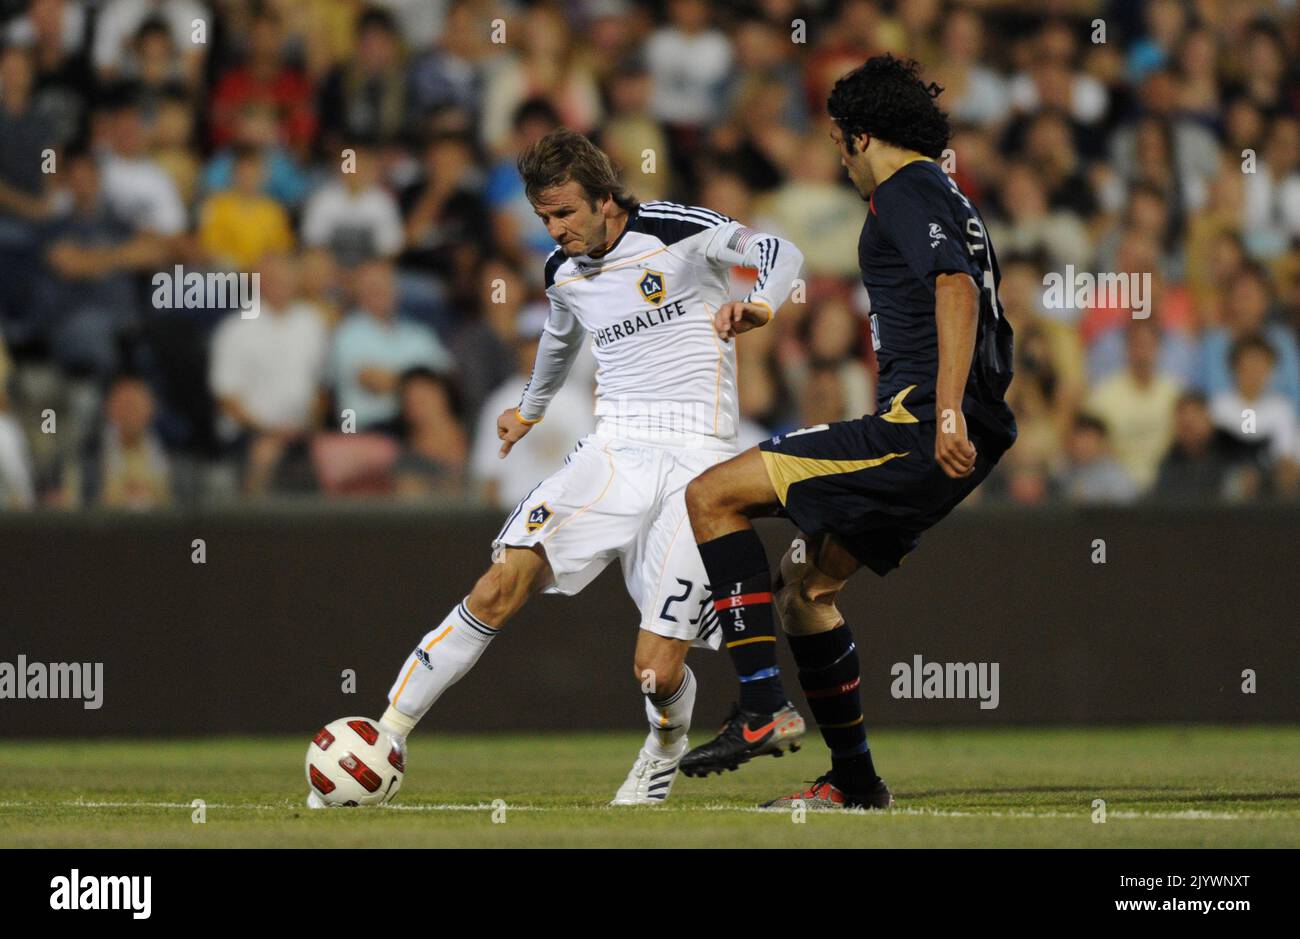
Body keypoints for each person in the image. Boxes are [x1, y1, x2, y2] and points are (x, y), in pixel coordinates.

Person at [336, 129, 803, 809]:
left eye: (564, 214)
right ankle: (387, 732)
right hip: (613, 449)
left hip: (699, 461)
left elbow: (778, 250)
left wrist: (759, 302)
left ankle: (664, 746)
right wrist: (529, 409)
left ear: (606, 198)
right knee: (501, 582)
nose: (554, 231)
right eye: (543, 219)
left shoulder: (678, 229)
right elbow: (560, 337)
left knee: (654, 668)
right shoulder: (564, 272)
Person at [679, 55, 1016, 810]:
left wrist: (949, 409)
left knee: (711, 496)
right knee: (806, 594)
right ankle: (856, 784)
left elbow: (956, 290)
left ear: (861, 137)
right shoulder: (951, 195)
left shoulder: (904, 188)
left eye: (839, 143)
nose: (840, 159)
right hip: (957, 428)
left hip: (921, 424)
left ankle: (762, 705)